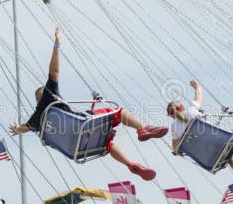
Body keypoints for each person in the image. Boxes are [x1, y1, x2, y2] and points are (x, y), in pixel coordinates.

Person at [9, 27, 168, 181]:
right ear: (44, 95)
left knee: (108, 143)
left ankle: (130, 164)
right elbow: (54, 72)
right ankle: (142, 129)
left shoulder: (37, 119)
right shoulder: (49, 96)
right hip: (83, 126)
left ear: (37, 101)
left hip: (78, 148)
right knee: (119, 112)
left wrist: (17, 129)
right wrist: (57, 45)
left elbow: (24, 128)